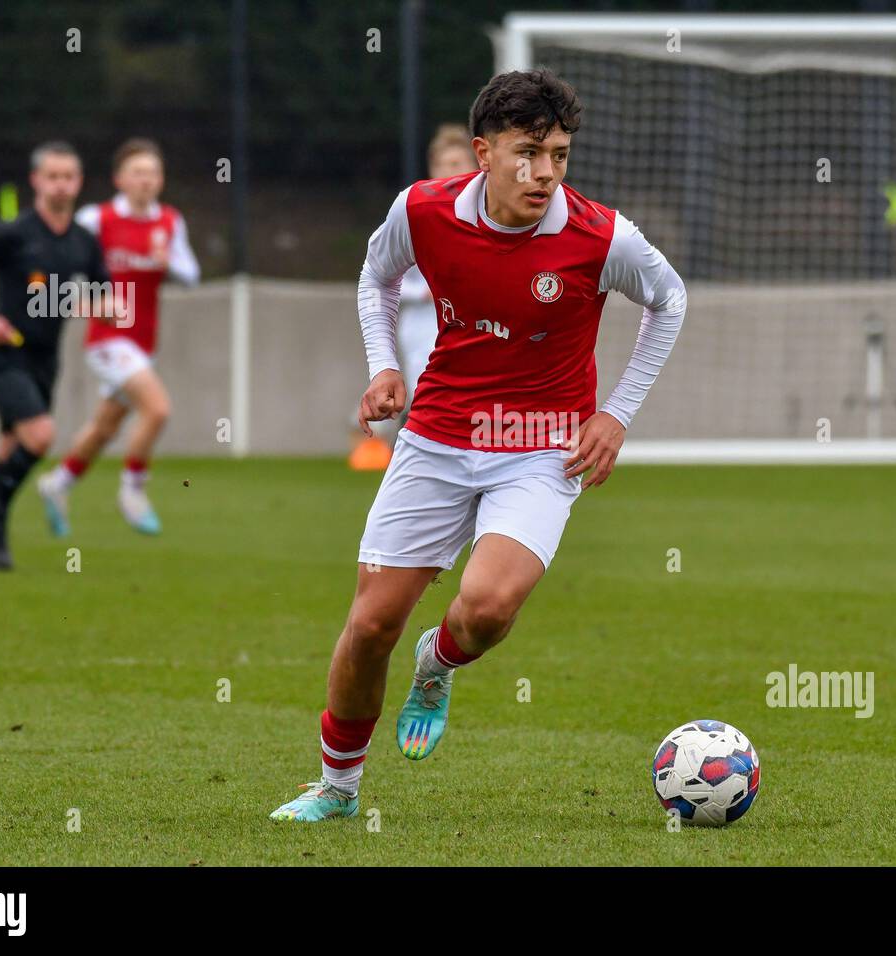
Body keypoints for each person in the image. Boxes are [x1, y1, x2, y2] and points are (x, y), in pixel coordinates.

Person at [270, 69, 687, 822]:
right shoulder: (422, 210)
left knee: (487, 609)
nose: (547, 172)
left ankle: (440, 662)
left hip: (541, 447)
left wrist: (616, 413)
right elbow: (376, 278)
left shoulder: (600, 235)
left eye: (560, 154)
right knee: (369, 627)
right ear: (482, 152)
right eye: (529, 152)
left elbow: (671, 299)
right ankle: (336, 789)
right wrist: (384, 366)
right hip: (436, 436)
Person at [0, 141, 113, 571]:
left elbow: (103, 295)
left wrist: (100, 305)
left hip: (45, 359)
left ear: (79, 182)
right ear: (36, 180)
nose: (61, 185)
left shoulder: (84, 242)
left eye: (68, 177)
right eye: (52, 177)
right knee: (40, 436)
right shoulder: (14, 233)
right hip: (2, 354)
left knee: (10, 448)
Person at [37, 138, 200, 536]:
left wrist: (170, 262)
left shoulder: (169, 222)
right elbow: (63, 259)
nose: (146, 180)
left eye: (153, 173)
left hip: (145, 343)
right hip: (108, 339)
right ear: (119, 179)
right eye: (138, 172)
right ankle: (133, 492)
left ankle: (58, 484)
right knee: (158, 409)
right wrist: (83, 298)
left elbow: (191, 275)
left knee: (104, 427)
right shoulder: (98, 219)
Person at [351, 124, 478, 467]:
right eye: (443, 165)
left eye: (457, 164)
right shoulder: (417, 212)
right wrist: (421, 292)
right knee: (427, 395)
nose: (449, 172)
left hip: (474, 329)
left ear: (476, 164)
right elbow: (381, 276)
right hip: (422, 325)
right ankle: (411, 461)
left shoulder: (493, 216)